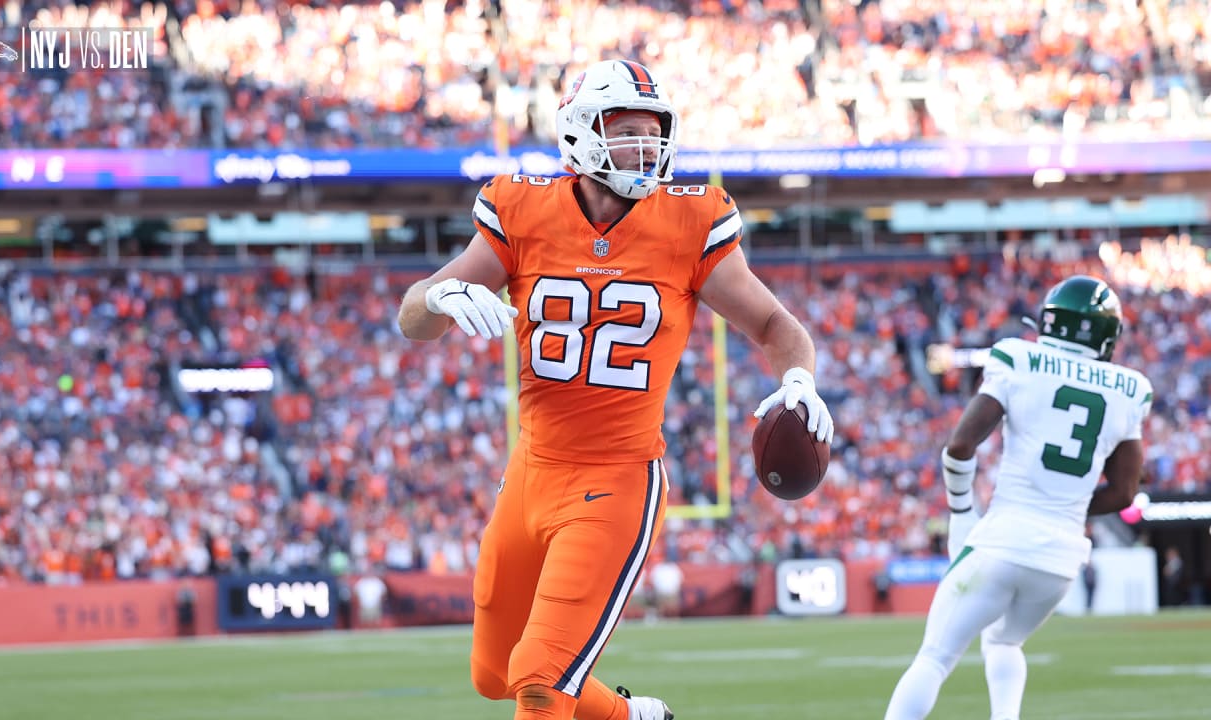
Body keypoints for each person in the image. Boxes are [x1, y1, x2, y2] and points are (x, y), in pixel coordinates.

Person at [398, 59, 833, 720]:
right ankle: (632, 717)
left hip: (617, 481)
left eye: (653, 131)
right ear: (580, 131)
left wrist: (799, 377)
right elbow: (412, 321)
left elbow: (775, 324)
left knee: (542, 680)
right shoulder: (522, 208)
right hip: (530, 472)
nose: (645, 146)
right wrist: (441, 294)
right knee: (496, 673)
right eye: (626, 130)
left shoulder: (691, 221)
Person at [885, 275, 1151, 720]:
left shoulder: (1018, 356)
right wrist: (1063, 507)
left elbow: (960, 446)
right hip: (1059, 564)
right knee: (1005, 641)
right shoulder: (1131, 388)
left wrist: (961, 513)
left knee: (935, 657)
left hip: (1003, 542)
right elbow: (1125, 491)